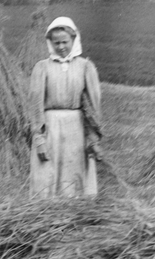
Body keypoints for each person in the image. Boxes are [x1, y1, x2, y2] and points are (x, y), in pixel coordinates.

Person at [29, 16, 104, 198]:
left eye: (65, 42)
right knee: (47, 173)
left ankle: (73, 213)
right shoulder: (42, 68)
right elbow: (35, 104)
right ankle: (45, 214)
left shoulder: (85, 67)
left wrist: (93, 139)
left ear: (74, 40)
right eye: (56, 43)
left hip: (75, 129)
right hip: (50, 127)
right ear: (50, 43)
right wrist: (39, 139)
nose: (61, 47)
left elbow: (93, 106)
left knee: (74, 175)